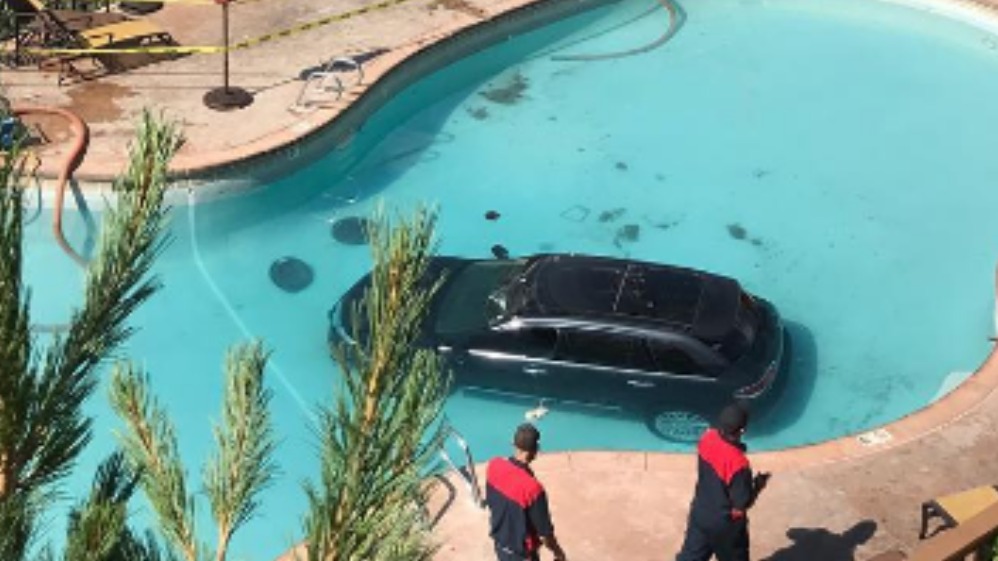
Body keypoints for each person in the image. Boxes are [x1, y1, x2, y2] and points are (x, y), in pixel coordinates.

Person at [675, 404, 770, 561]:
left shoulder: (707, 438)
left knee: (690, 557)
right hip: (724, 525)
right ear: (742, 431)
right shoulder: (738, 463)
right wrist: (758, 486)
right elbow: (739, 507)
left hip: (700, 513)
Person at [485, 423, 567, 561]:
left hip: (500, 547)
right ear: (535, 450)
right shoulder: (533, 489)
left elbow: (492, 502)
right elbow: (545, 534)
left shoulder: (494, 465)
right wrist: (558, 553)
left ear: (513, 445)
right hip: (522, 556)